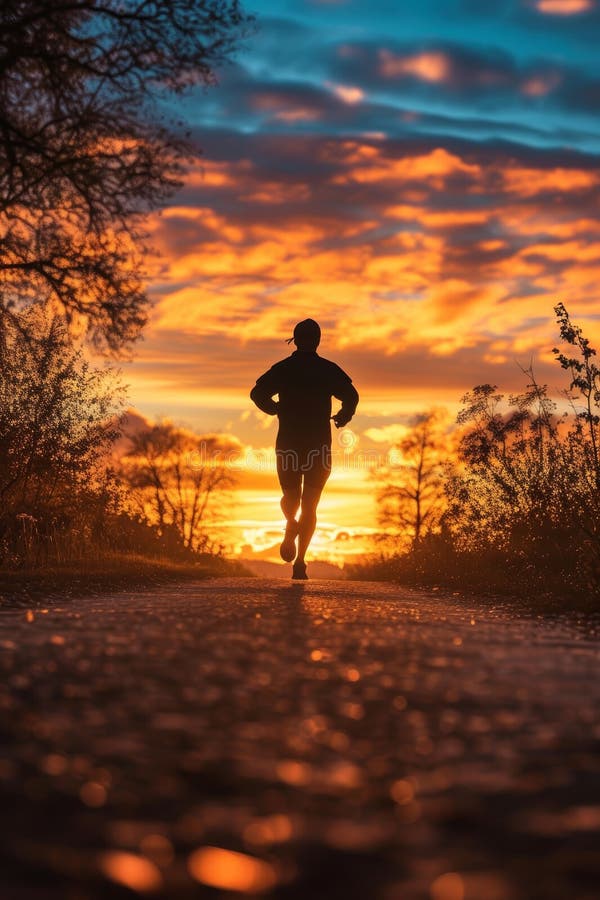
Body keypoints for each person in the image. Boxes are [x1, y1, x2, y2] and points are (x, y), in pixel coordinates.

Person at [250, 318, 359, 579]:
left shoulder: (284, 369)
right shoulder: (328, 370)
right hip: (318, 446)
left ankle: (290, 523)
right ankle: (300, 562)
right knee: (310, 505)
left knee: (291, 497)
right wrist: (344, 415)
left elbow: (257, 393)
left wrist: (275, 409)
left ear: (295, 340)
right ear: (318, 340)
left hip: (288, 442)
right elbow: (352, 396)